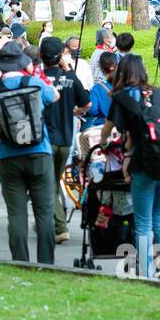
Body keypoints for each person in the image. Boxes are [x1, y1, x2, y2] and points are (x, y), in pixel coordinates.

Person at [100, 54, 160, 279]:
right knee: (159, 218)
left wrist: (103, 142)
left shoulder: (122, 96)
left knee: (143, 222)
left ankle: (145, 273)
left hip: (144, 164)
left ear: (122, 73)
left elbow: (109, 130)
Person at [0, 41, 59, 264]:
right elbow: (54, 96)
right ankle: (46, 263)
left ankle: (20, 261)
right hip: (39, 152)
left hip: (8, 156)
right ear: (21, 63)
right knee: (44, 211)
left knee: (16, 214)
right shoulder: (34, 84)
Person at [39, 36, 90, 245]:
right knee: (53, 181)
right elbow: (87, 104)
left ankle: (60, 226)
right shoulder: (70, 77)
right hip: (66, 140)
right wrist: (74, 111)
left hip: (45, 141)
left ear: (41, 56)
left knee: (48, 184)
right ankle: (48, 218)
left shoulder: (39, 79)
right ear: (61, 55)